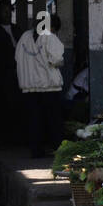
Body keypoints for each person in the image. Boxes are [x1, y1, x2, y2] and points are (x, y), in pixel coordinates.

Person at [14, 13, 65, 158]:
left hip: (29, 87)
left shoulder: (24, 36)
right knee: (53, 121)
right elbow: (56, 59)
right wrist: (61, 62)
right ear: (52, 27)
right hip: (49, 87)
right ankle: (57, 150)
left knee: (35, 121)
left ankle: (36, 151)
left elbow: (17, 57)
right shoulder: (50, 36)